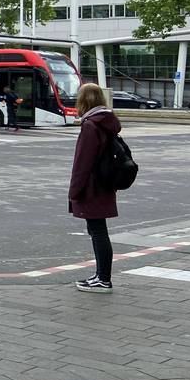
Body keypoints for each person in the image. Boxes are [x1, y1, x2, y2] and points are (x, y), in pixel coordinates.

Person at [68, 83, 120, 293]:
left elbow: (83, 162)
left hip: (92, 186)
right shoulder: (106, 121)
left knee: (98, 232)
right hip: (105, 183)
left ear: (83, 100)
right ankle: (100, 275)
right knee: (98, 230)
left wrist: (74, 191)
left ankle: (103, 279)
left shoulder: (90, 125)